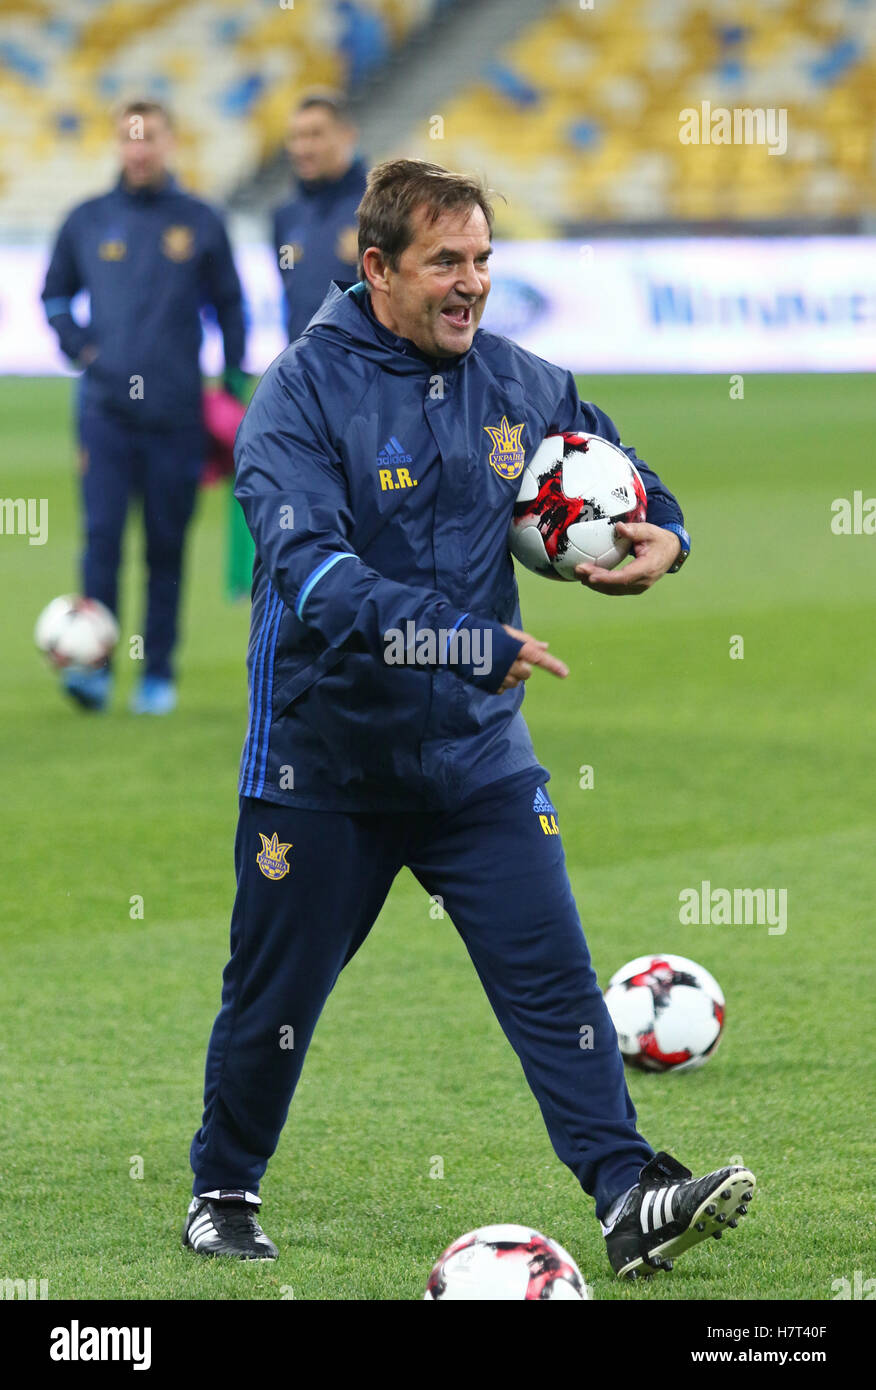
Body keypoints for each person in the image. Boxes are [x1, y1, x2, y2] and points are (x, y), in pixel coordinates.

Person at [184, 159, 755, 1281]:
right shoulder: (298, 395)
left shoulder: (523, 382)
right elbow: (311, 579)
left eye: (485, 260)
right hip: (322, 764)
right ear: (379, 268)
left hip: (476, 759)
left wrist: (667, 538)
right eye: (447, 262)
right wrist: (468, 641)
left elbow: (630, 476)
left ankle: (628, 1193)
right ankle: (223, 1185)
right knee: (274, 1000)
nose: (473, 284)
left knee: (552, 979)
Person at [41, 100, 247, 714]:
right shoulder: (86, 219)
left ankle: (157, 671)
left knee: (166, 547)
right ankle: (95, 667)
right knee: (101, 540)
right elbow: (53, 295)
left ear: (169, 143)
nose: (139, 150)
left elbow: (231, 306)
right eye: (129, 138)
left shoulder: (201, 221)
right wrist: (81, 348)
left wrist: (230, 386)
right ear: (117, 144)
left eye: (150, 138)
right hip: (104, 413)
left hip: (177, 415)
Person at [272, 89, 368, 344]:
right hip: (302, 371)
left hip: (364, 374)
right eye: (296, 137)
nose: (303, 148)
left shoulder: (381, 207)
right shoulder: (285, 216)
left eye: (315, 135)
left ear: (347, 135)